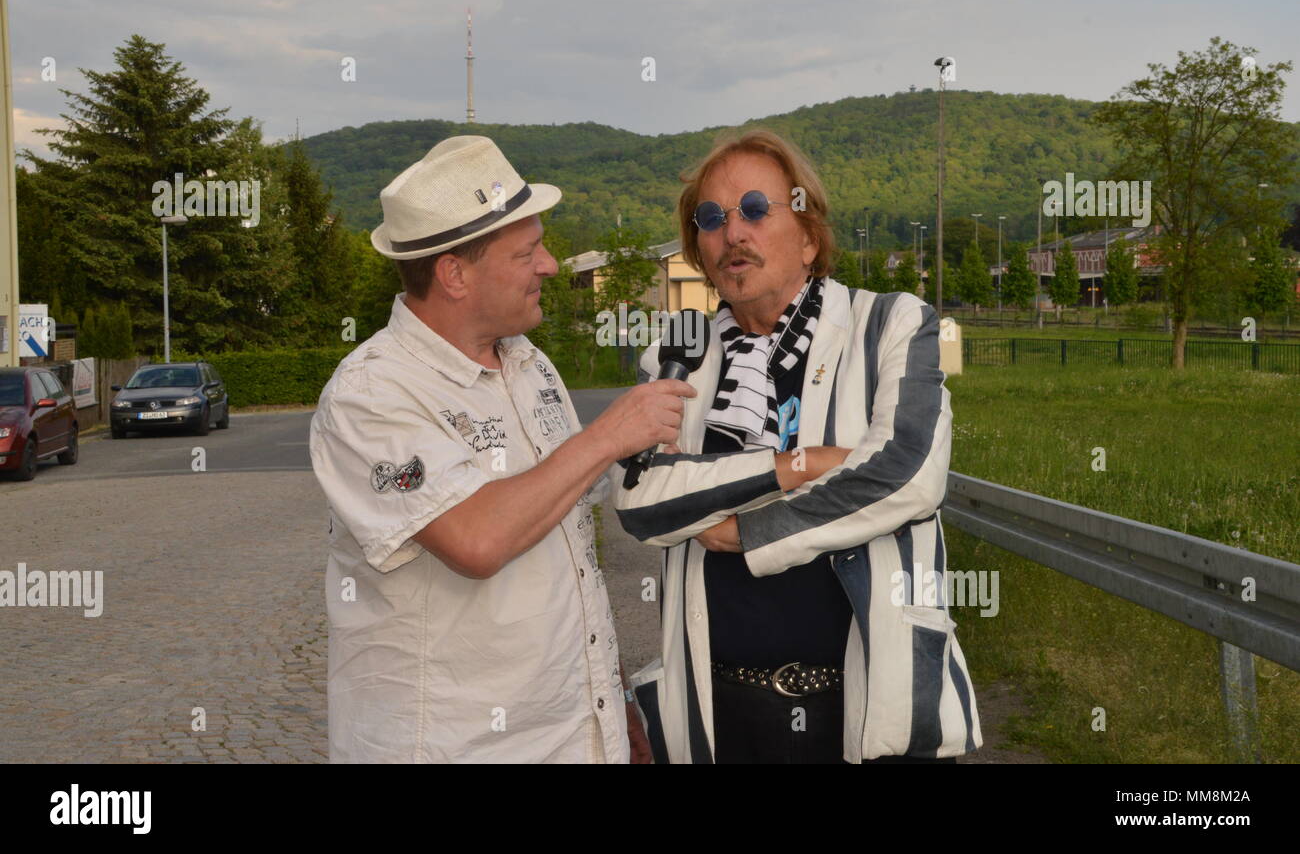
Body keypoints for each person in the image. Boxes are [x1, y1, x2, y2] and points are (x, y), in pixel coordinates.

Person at [309, 135, 697, 763]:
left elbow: (568, 541)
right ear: (455, 274)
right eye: (528, 251)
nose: (549, 264)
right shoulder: (371, 393)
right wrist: (609, 434)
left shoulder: (529, 363)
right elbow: (476, 540)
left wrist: (611, 704)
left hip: (571, 739)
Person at [615, 129, 982, 763]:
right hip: (724, 714)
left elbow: (907, 474)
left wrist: (750, 531)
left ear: (809, 236)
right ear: (700, 250)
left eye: (756, 209)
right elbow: (639, 497)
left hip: (869, 712)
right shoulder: (676, 357)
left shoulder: (889, 323)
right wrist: (801, 464)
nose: (733, 233)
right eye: (711, 219)